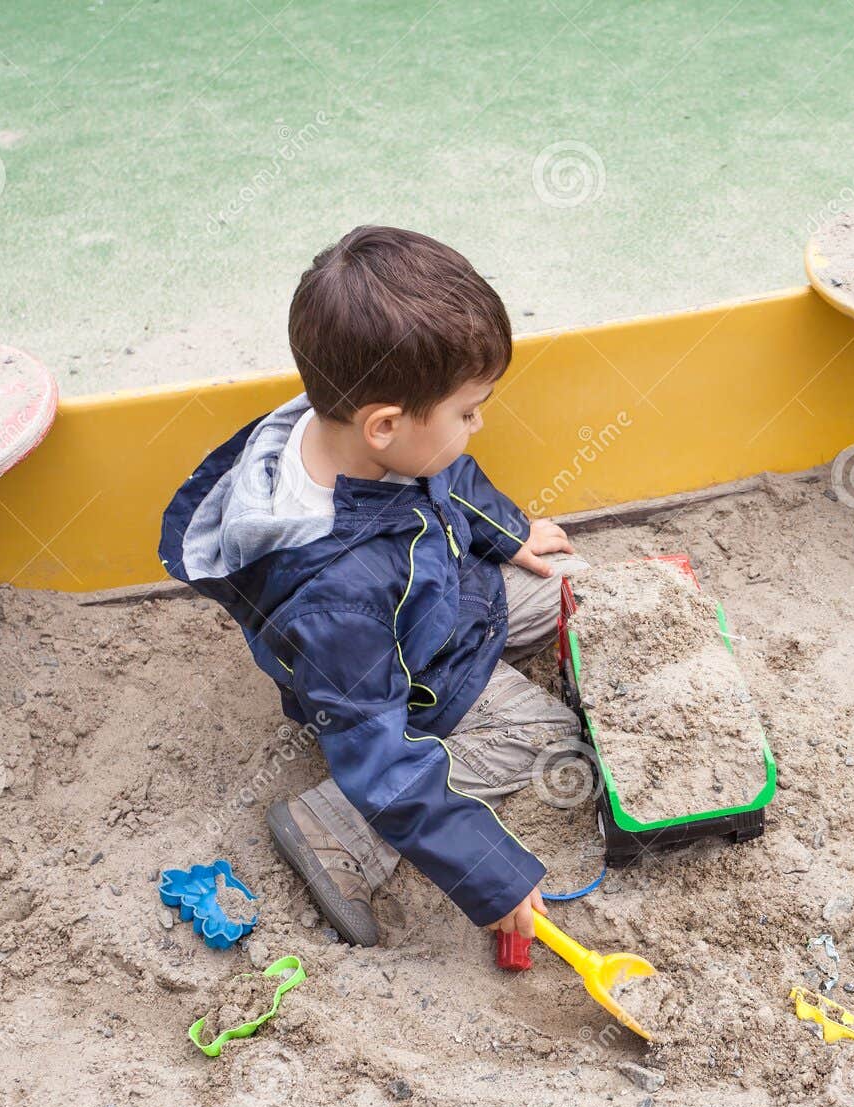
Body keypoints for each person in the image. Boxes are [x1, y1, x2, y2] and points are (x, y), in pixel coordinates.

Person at [160, 225, 581, 948]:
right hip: (398, 678)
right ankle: (330, 827)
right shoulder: (336, 595)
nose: (477, 426)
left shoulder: (362, 427)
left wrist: (507, 533)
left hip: (440, 594)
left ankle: (500, 629)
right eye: (469, 411)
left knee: (570, 582)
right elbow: (375, 748)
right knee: (547, 730)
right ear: (385, 425)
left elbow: (448, 477)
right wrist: (489, 870)